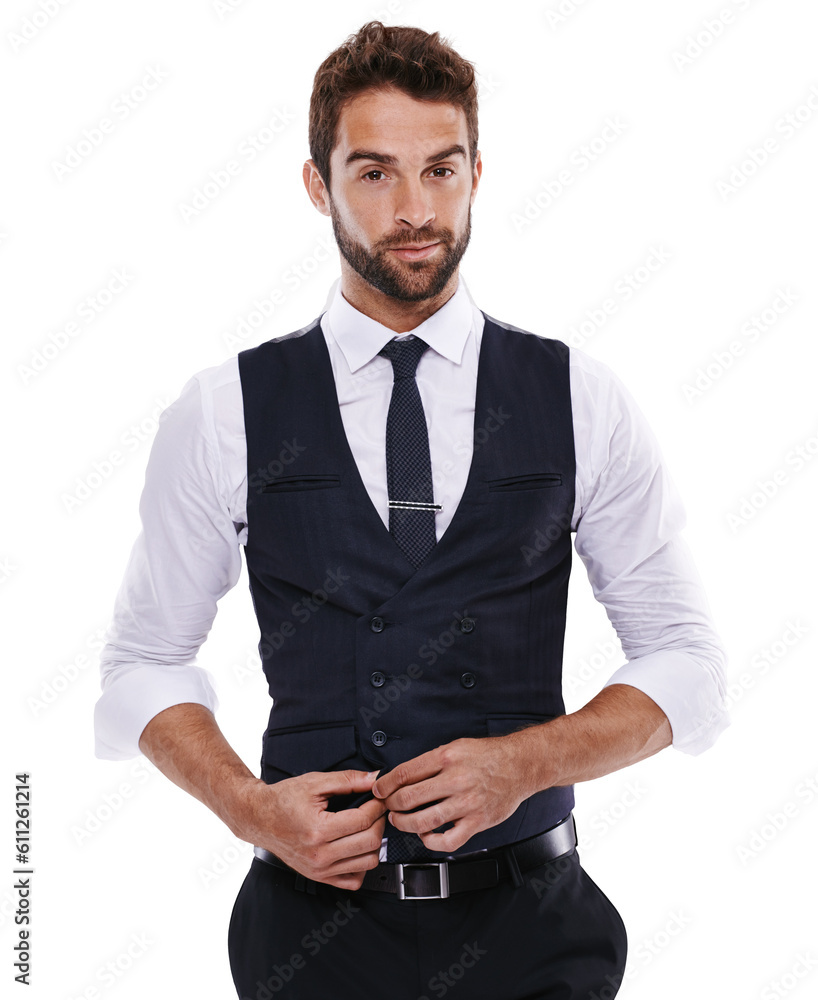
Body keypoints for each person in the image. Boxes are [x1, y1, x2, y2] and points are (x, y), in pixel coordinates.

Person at [93, 20, 729, 1000]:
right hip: (310, 943)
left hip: (535, 932)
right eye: (375, 173)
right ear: (318, 185)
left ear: (478, 170)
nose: (413, 209)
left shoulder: (578, 397)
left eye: (440, 170)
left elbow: (688, 665)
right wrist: (248, 808)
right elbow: (143, 659)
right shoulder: (224, 411)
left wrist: (525, 760)